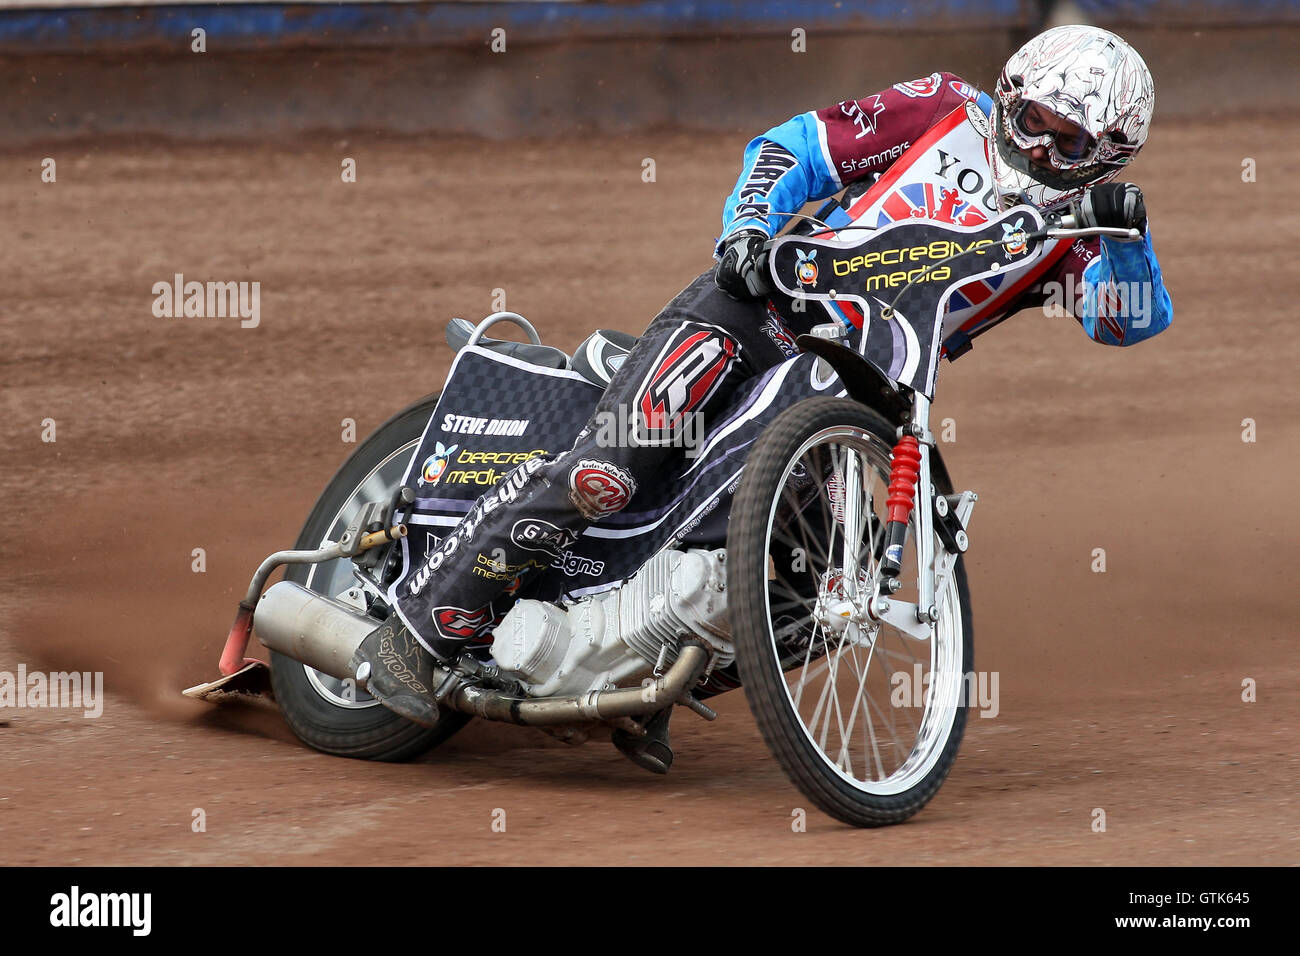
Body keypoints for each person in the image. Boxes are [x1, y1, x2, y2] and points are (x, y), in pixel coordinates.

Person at [350, 24, 1173, 731]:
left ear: (1107, 157)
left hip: (869, 385)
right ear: (1010, 92)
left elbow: (1125, 320)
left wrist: (1129, 236)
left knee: (828, 588)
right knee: (607, 474)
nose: (1037, 147)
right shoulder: (943, 108)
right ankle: (414, 637)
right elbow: (796, 146)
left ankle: (645, 681)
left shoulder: (1081, 231)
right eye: (1032, 120)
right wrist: (748, 227)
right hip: (763, 304)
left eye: (1068, 143)